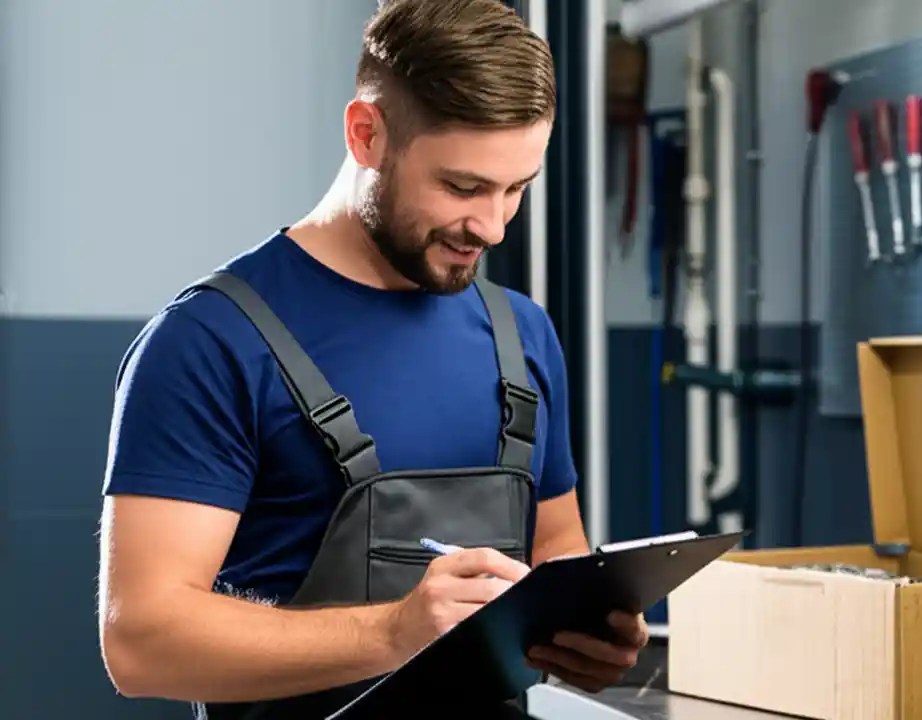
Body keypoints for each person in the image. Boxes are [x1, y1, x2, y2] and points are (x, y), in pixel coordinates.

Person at [95, 0, 647, 715]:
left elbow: (557, 543)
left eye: (516, 189)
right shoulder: (209, 343)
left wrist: (585, 622)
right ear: (366, 134)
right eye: (462, 186)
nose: (493, 226)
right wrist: (396, 630)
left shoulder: (525, 335)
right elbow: (141, 642)